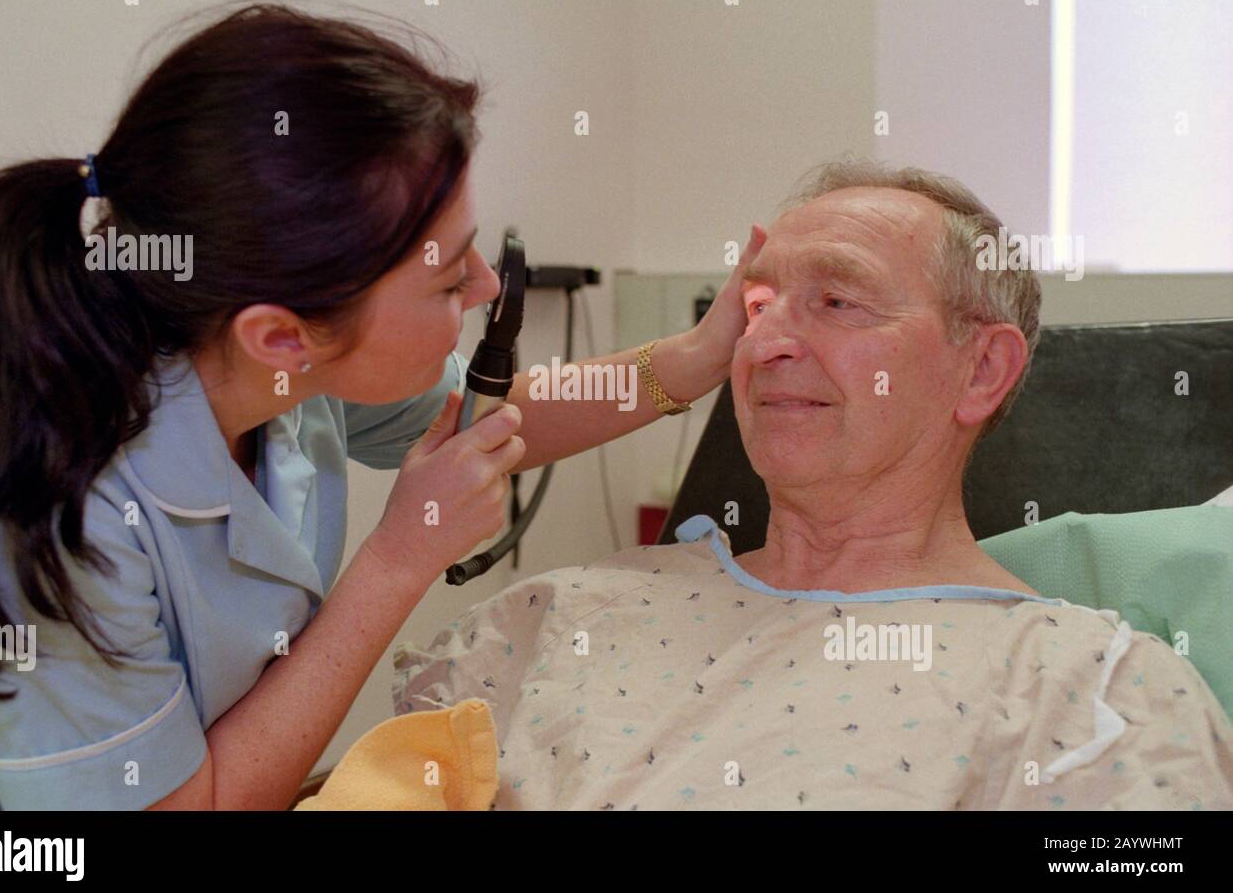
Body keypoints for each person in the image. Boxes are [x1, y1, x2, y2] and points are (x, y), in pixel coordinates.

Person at [0, 2, 758, 810]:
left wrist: (691, 361)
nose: (488, 286)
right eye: (448, 277)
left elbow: (493, 425)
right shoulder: (55, 516)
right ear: (284, 336)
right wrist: (399, 557)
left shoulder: (264, 371)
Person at [394, 159, 1233, 809]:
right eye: (756, 308)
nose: (764, 346)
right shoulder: (557, 618)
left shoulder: (1095, 691)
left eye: (836, 300)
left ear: (982, 370)